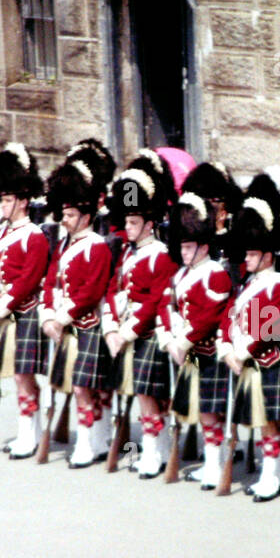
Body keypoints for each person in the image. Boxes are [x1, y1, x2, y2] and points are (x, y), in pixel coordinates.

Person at [102, 153, 179, 478]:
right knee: (138, 396)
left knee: (150, 397)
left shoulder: (159, 255)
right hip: (124, 332)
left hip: (145, 335)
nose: (127, 228)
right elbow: (112, 288)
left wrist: (126, 332)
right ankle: (156, 448)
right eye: (127, 221)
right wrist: (109, 327)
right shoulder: (127, 253)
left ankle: (154, 452)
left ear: (149, 224)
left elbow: (152, 302)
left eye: (134, 223)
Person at [41, 139, 117, 468]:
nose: (66, 220)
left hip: (86, 326)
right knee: (77, 386)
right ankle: (94, 439)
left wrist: (62, 317)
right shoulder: (64, 243)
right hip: (66, 326)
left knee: (85, 387)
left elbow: (91, 290)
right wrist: (47, 314)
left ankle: (90, 442)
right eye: (64, 214)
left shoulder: (97, 246)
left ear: (86, 214)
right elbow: (50, 280)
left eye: (71, 215)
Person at [218, 194, 280, 503]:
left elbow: (269, 328)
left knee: (269, 425)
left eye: (252, 255)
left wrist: (241, 351)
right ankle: (273, 474)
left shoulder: (278, 285)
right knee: (259, 423)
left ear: (267, 255)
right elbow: (230, 317)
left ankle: (271, 476)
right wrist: (226, 346)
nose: (246, 260)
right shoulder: (247, 286)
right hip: (246, 362)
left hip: (267, 362)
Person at [0, 143, 50, 459]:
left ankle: (29, 434)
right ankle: (29, 431)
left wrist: (1, 305)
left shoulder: (33, 235)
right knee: (15, 375)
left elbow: (29, 279)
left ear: (23, 201)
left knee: (23, 375)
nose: (3, 206)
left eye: (8, 200)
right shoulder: (1, 234)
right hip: (1, 313)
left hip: (24, 313)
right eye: (2, 199)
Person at [159, 192, 234, 489]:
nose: (185, 252)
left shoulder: (215, 273)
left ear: (204, 246)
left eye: (190, 247)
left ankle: (215, 465)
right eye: (183, 247)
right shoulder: (180, 275)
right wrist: (168, 335)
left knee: (210, 412)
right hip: (185, 352)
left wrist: (185, 339)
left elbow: (209, 315)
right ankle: (209, 462)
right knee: (201, 412)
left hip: (206, 352)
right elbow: (166, 305)